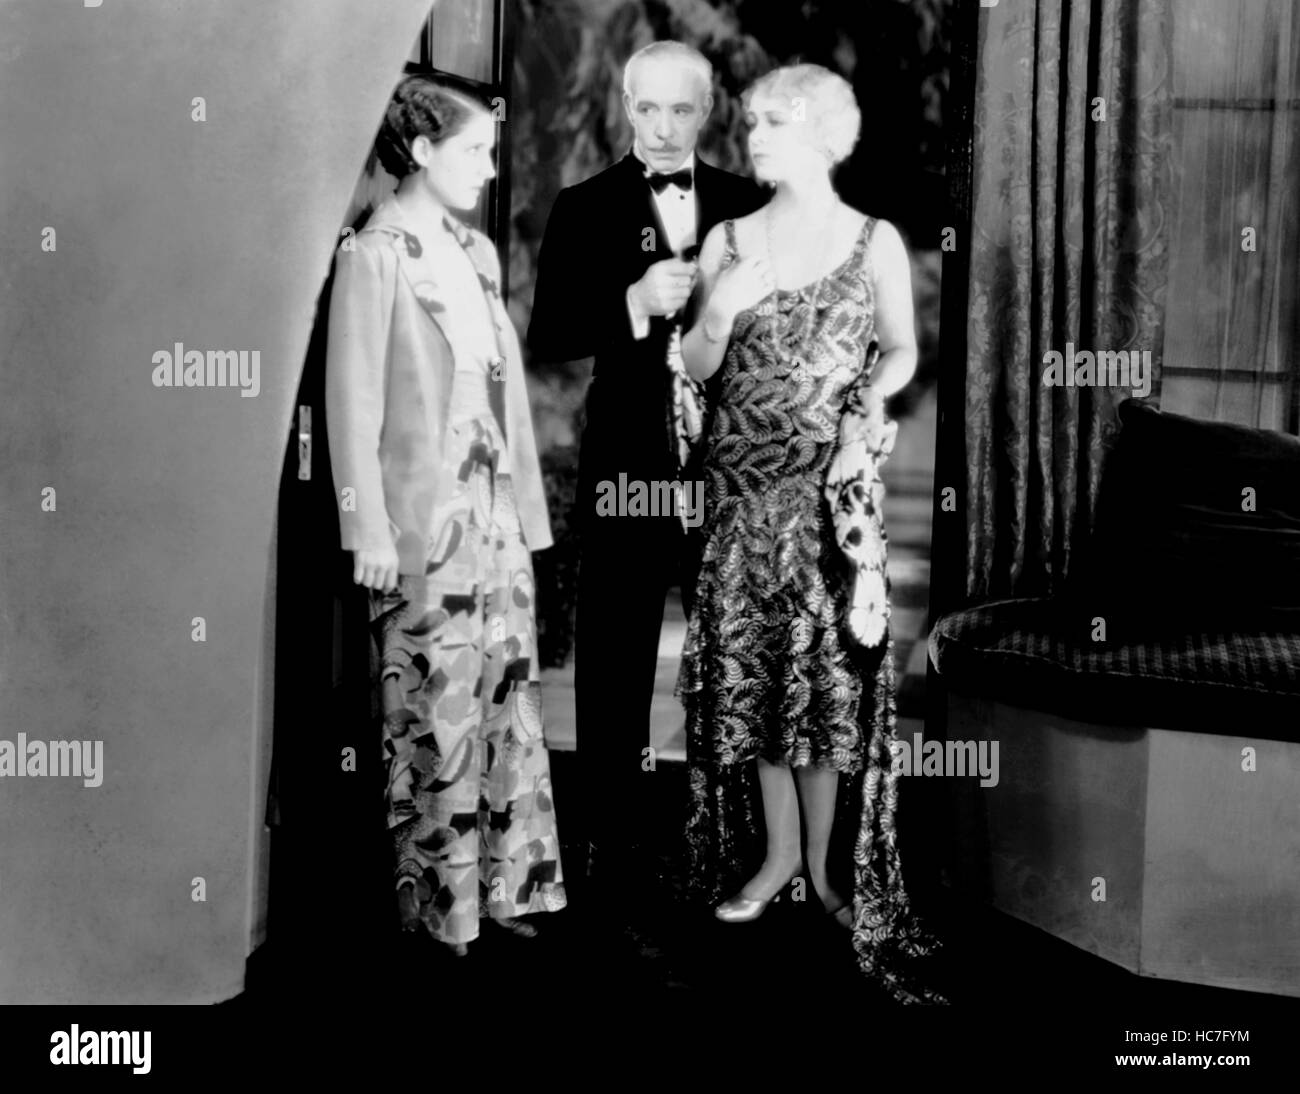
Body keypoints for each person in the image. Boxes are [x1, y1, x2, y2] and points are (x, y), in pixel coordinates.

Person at [679, 63, 942, 1002]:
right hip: (741, 505)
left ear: (824, 136)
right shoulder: (727, 239)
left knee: (823, 696)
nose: (752, 138)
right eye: (750, 124)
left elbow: (903, 348)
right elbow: (699, 366)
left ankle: (824, 875)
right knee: (752, 685)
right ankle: (775, 862)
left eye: (773, 124)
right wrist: (721, 306)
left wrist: (873, 399)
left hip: (826, 504)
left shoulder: (873, 240)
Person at [325, 75, 565, 957]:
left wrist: (529, 521)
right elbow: (351, 408)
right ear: (421, 152)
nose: (491, 170)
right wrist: (369, 530)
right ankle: (441, 916)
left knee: (507, 707)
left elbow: (511, 408)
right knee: (435, 717)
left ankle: (507, 891)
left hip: (495, 520)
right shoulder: (374, 255)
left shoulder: (474, 253)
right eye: (475, 151)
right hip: (423, 529)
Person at [528, 41, 765, 892]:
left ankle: (731, 826)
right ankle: (606, 833)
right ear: (627, 107)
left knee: (734, 645)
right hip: (627, 462)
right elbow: (549, 333)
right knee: (616, 646)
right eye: (648, 109)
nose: (662, 129)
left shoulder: (751, 208)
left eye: (681, 110)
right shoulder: (583, 206)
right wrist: (628, 303)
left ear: (708, 114)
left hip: (729, 470)